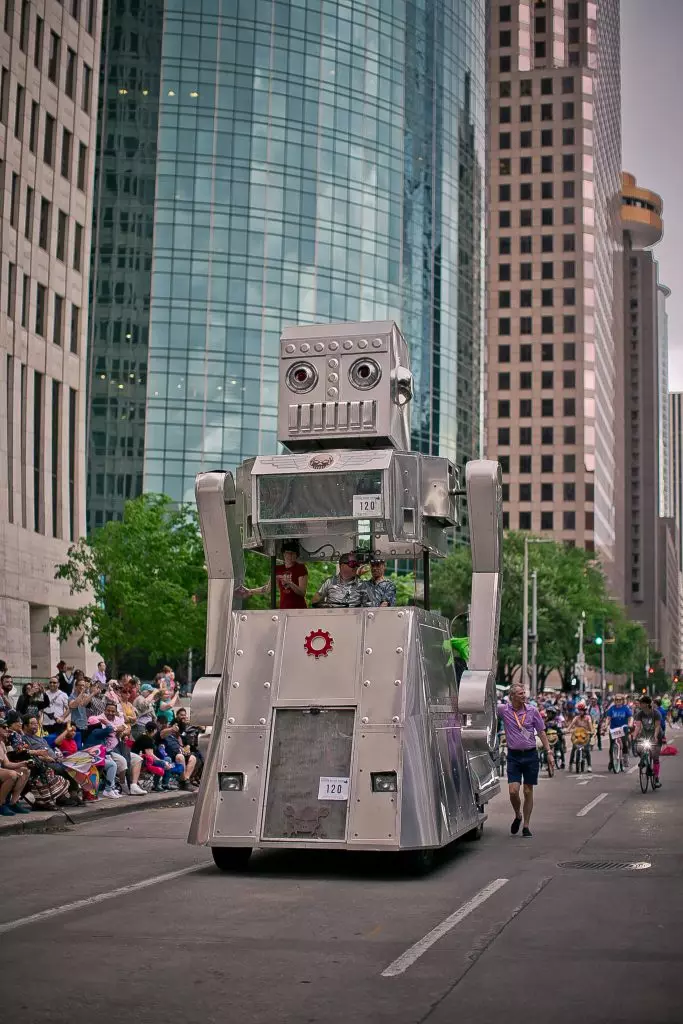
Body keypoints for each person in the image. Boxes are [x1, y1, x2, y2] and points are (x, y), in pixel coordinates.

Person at [497, 683, 554, 838]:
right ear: (512, 696)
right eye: (520, 693)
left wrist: (549, 752)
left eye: (524, 693)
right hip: (513, 756)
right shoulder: (504, 710)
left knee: (528, 790)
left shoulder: (532, 711)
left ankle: (526, 826)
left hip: (530, 755)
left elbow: (541, 732)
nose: (524, 696)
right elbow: (487, 707)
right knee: (513, 791)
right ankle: (518, 815)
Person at [238, 542, 309, 609]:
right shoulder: (277, 569)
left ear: (296, 555)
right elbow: (268, 589)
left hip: (299, 608)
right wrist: (250, 591)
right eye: (288, 553)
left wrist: (290, 583)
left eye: (293, 553)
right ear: (284, 554)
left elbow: (302, 593)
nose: (291, 555)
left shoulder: (300, 568)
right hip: (284, 607)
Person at [0, 719, 31, 815]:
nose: (7, 729)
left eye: (7, 727)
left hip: (1, 769)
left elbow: (7, 764)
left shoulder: (1, 744)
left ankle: (13, 803)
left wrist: (23, 763)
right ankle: (1, 804)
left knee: (25, 771)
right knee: (12, 774)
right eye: (3, 727)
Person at [632, 694, 664, 788]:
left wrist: (655, 736)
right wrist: (634, 737)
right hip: (645, 735)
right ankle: (644, 761)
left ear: (646, 704)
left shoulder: (656, 713)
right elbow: (637, 726)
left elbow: (657, 726)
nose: (639, 704)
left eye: (641, 703)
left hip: (656, 736)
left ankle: (656, 778)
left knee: (655, 757)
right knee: (638, 748)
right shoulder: (639, 714)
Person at [603, 692, 633, 769]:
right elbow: (608, 718)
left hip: (623, 729)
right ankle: (611, 761)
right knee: (612, 746)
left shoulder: (626, 708)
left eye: (620, 700)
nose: (618, 701)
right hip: (613, 729)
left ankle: (625, 759)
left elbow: (630, 717)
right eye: (616, 700)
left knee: (624, 744)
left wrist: (630, 724)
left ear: (623, 700)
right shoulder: (612, 709)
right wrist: (606, 725)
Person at [568, 701, 594, 772]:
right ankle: (570, 764)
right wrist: (568, 730)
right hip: (577, 736)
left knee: (587, 750)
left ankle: (589, 765)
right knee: (574, 748)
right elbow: (571, 725)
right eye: (579, 710)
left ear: (585, 711)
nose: (580, 712)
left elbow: (590, 726)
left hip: (586, 736)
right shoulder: (576, 718)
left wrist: (591, 731)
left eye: (582, 710)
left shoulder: (588, 718)